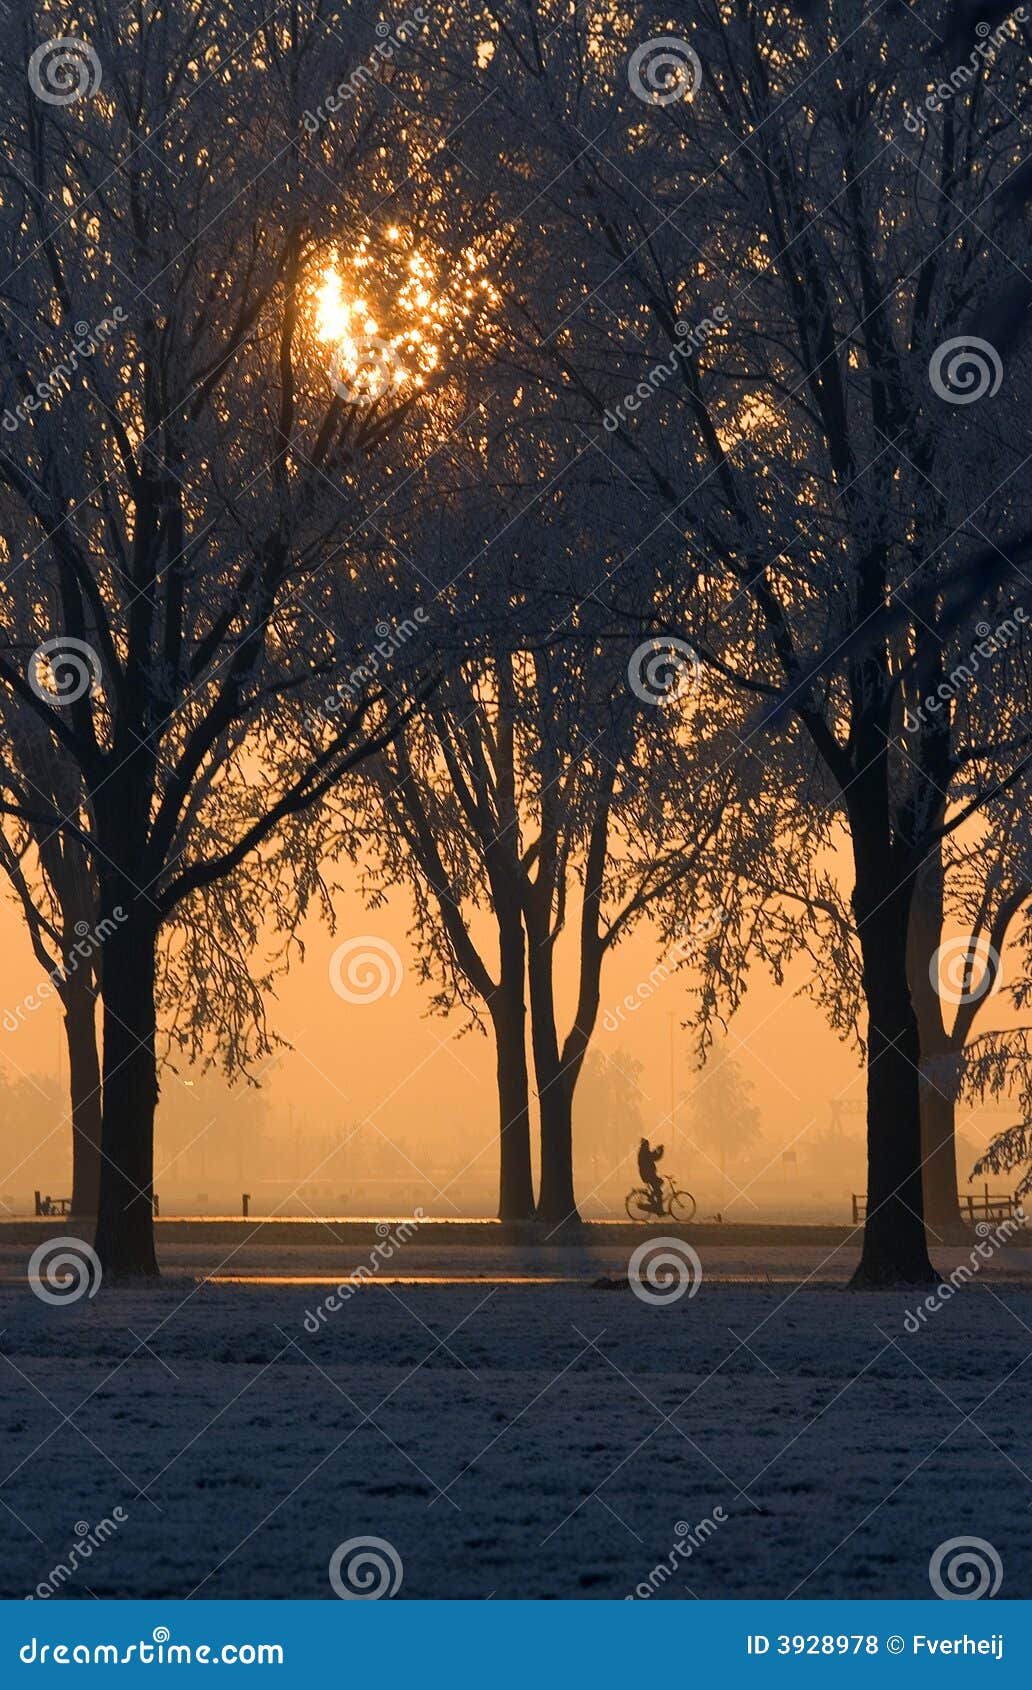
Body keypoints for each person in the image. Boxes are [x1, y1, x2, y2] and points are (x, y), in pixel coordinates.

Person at [637, 1138, 664, 1215]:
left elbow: (653, 1156)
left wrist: (657, 1150)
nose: (648, 1146)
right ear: (645, 1145)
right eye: (647, 1144)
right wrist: (660, 1150)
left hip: (649, 1175)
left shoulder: (643, 1151)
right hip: (648, 1175)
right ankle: (658, 1209)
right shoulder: (644, 1152)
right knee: (659, 1192)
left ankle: (655, 1204)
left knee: (659, 1185)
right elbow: (654, 1157)